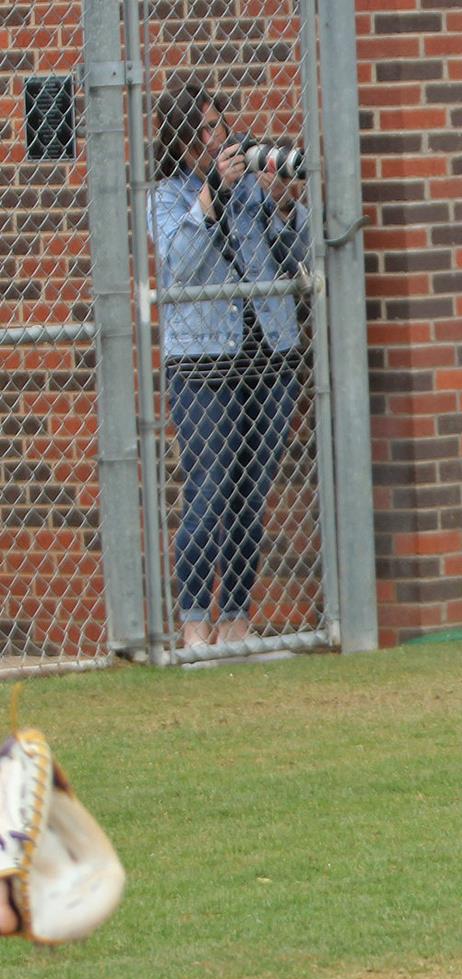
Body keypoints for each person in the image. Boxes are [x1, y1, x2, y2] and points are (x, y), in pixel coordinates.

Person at [147, 82, 309, 651]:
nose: (217, 138)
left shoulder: (253, 186)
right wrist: (213, 193)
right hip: (202, 363)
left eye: (219, 125)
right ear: (181, 138)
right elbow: (183, 266)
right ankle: (194, 622)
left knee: (250, 492)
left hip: (270, 354)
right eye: (204, 129)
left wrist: (285, 202)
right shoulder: (167, 196)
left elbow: (302, 259)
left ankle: (237, 619)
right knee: (209, 489)